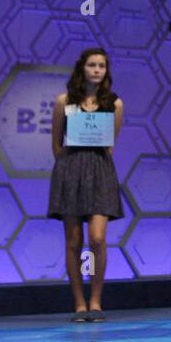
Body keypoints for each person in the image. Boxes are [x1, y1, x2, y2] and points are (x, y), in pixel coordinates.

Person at [50, 47, 124, 322]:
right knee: (73, 241)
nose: (97, 70)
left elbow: (110, 144)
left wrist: (93, 164)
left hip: (100, 171)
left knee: (97, 238)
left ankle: (96, 302)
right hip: (70, 171)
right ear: (82, 68)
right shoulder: (64, 101)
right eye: (92, 65)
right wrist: (69, 169)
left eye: (101, 66)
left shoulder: (114, 104)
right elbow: (56, 144)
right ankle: (80, 304)